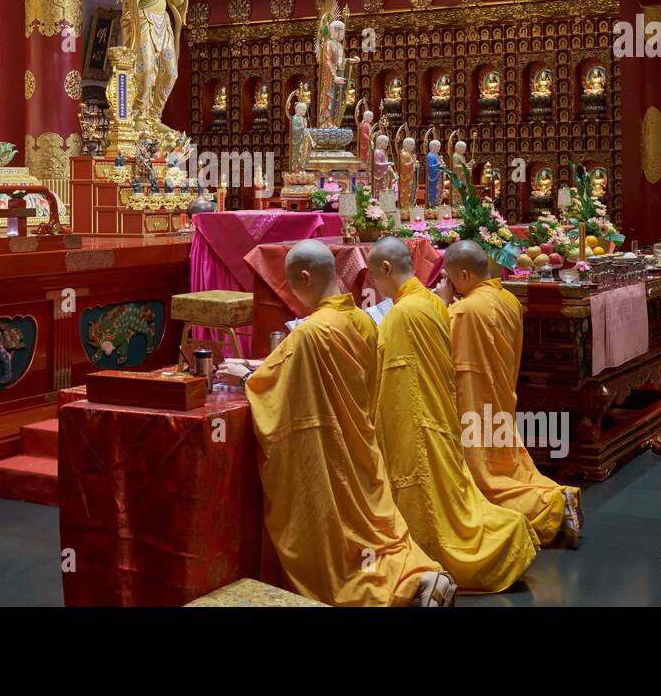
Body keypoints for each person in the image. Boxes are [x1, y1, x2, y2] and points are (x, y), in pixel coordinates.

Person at [233, 240, 456, 607]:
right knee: (376, 524)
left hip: (330, 456)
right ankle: (420, 576)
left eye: (292, 286)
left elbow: (274, 391)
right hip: (363, 448)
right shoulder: (363, 321)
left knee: (343, 543)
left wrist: (244, 377)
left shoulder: (309, 333)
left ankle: (401, 589)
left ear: (304, 278)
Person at [367, 237, 538, 592]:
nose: (373, 286)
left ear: (385, 269)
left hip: (415, 422)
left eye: (373, 277)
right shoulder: (432, 301)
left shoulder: (402, 314)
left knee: (434, 502)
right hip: (442, 416)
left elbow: (390, 375)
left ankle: (470, 552)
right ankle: (505, 532)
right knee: (456, 492)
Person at [438, 241, 582, 548]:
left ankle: (551, 505)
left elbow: (439, 346)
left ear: (462, 275)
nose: (448, 284)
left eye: (450, 278)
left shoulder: (464, 311)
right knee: (509, 466)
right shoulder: (508, 299)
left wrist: (443, 304)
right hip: (502, 400)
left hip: (472, 406)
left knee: (484, 479)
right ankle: (552, 495)